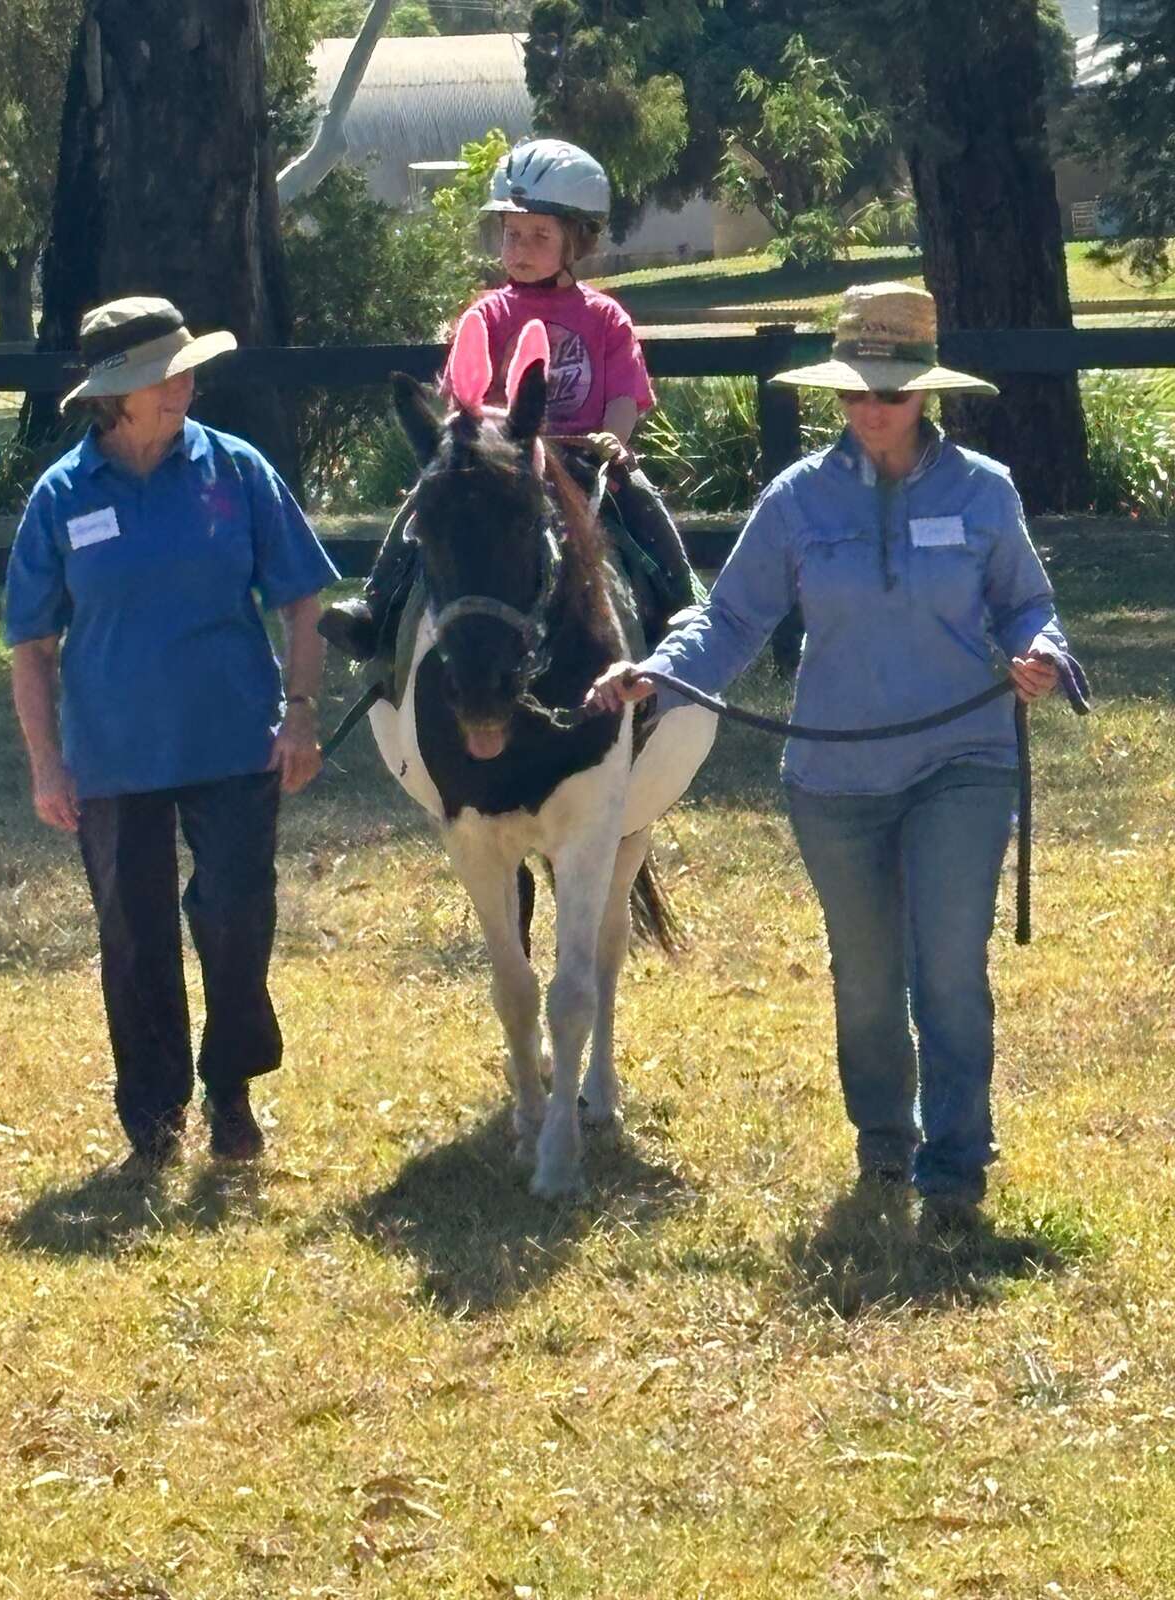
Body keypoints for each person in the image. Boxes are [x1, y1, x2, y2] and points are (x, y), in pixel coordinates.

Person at [588, 281, 1089, 1235]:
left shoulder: (984, 491)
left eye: (890, 392)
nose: (871, 409)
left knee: (946, 965)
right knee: (865, 979)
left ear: (927, 394)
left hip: (962, 763)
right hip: (834, 780)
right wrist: (656, 671)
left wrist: (1043, 654)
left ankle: (955, 1162)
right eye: (855, 390)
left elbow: (1029, 603)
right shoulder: (797, 500)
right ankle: (882, 1142)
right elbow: (732, 618)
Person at [4, 296, 338, 1178]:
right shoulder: (61, 497)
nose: (184, 386)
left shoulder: (236, 470)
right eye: (164, 376)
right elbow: (30, 647)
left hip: (234, 739)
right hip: (112, 757)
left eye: (186, 369)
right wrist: (46, 763)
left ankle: (232, 1090)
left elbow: (303, 599)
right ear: (115, 394)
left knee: (235, 915)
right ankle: (152, 1120)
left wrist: (300, 711)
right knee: (134, 935)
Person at [319, 137, 700, 671]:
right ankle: (376, 606)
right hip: (499, 463)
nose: (520, 249)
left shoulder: (606, 317)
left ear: (578, 241)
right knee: (423, 507)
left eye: (539, 236)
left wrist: (613, 438)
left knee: (639, 500)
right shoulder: (487, 313)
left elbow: (623, 393)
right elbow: (464, 395)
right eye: (512, 235)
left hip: (581, 456)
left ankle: (683, 606)